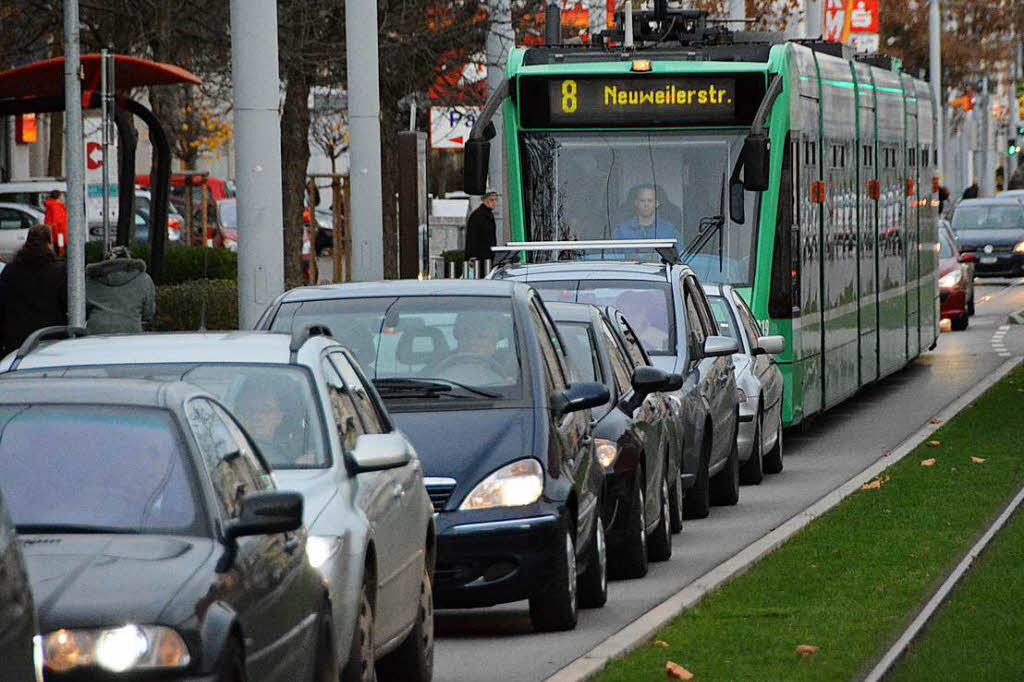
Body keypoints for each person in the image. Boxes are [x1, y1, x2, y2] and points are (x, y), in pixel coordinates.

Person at [0, 224, 67, 355]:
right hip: (50, 338)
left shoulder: (10, 270)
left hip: (16, 340)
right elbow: (67, 303)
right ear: (49, 244)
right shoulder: (59, 270)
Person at [84, 246, 155, 333]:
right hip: (131, 329)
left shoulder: (91, 280)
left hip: (97, 330)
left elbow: (83, 309)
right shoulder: (144, 279)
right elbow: (148, 312)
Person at [612, 185, 683, 245]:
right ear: (636, 203)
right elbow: (612, 258)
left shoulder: (670, 231)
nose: (646, 204)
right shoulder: (621, 231)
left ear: (656, 203)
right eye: (642, 200)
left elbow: (680, 258)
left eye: (650, 201)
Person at [465, 191, 498, 267]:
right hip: (480, 258)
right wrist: (472, 256)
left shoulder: (488, 214)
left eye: (496, 200)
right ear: (484, 200)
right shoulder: (477, 215)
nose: (494, 202)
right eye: (491, 200)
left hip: (487, 256)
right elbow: (472, 237)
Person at [43, 190, 67, 256]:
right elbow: (57, 224)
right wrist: (61, 247)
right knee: (60, 254)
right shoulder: (56, 206)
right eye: (62, 196)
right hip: (60, 235)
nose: (63, 198)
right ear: (59, 197)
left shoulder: (52, 205)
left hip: (57, 235)